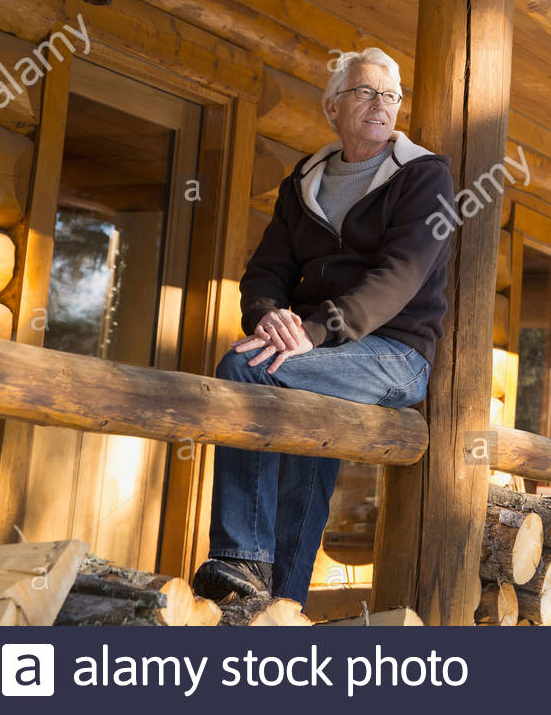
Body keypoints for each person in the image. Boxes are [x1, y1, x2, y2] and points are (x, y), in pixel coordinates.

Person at [191, 48, 455, 606]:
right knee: (307, 439)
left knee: (246, 365)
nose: (380, 105)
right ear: (332, 106)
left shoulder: (424, 178)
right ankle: (278, 606)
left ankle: (240, 558)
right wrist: (271, 316)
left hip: (394, 356)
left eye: (390, 95)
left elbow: (399, 277)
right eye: (365, 92)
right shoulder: (303, 182)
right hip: (323, 356)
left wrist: (313, 330)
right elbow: (266, 271)